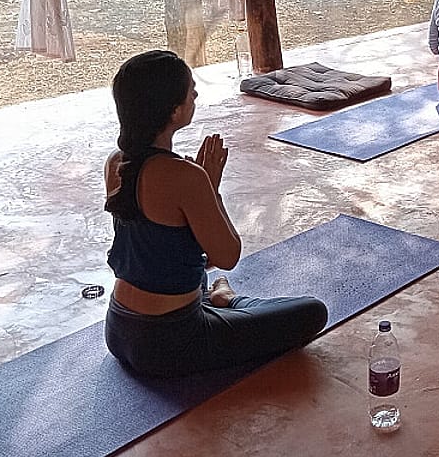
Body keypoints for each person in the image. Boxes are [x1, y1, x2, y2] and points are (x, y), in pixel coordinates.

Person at [103, 51, 328, 378]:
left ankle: (214, 298)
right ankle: (228, 299)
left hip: (119, 329)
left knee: (202, 279)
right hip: (172, 342)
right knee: (310, 312)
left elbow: (162, 254)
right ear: (174, 111)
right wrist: (210, 188)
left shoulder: (115, 162)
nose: (195, 94)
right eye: (190, 90)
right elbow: (228, 255)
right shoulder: (185, 176)